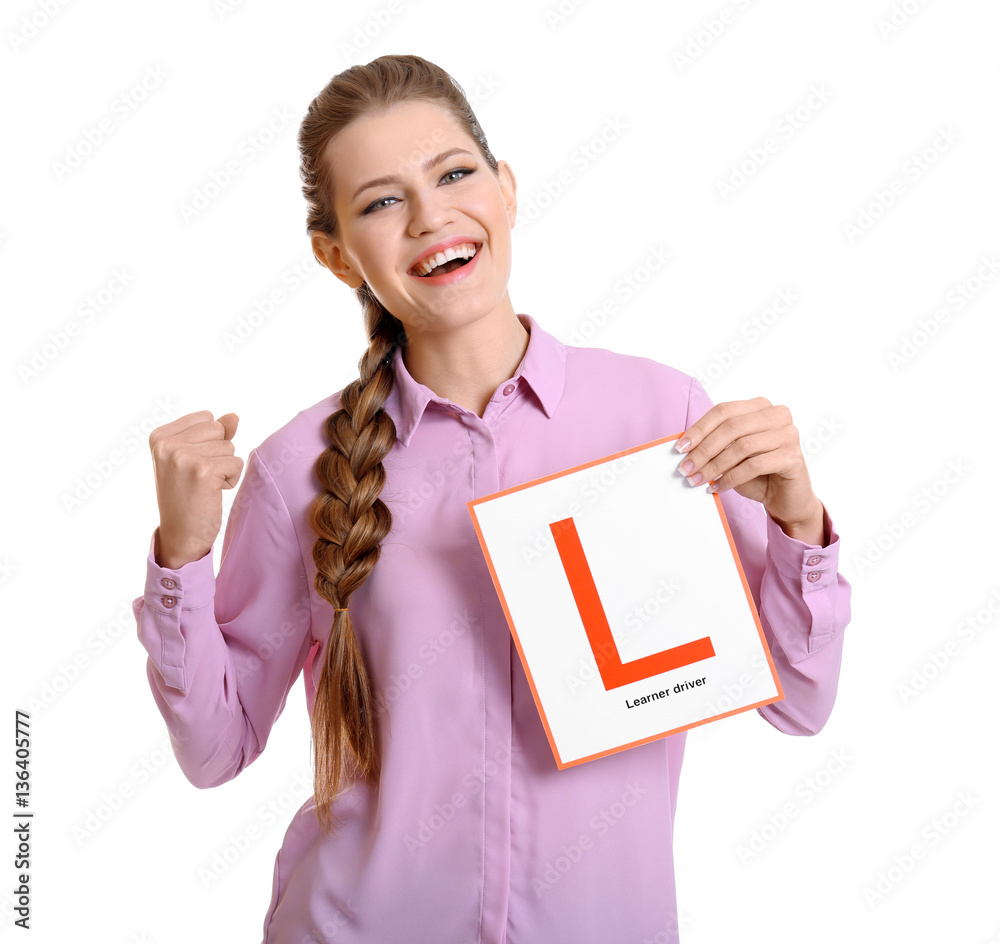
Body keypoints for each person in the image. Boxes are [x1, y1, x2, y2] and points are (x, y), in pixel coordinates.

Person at [133, 53, 851, 944]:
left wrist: (796, 523)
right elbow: (214, 749)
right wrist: (183, 557)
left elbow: (799, 701)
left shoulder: (660, 418)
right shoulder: (297, 470)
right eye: (381, 202)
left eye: (455, 173)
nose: (433, 217)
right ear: (336, 256)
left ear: (506, 190)